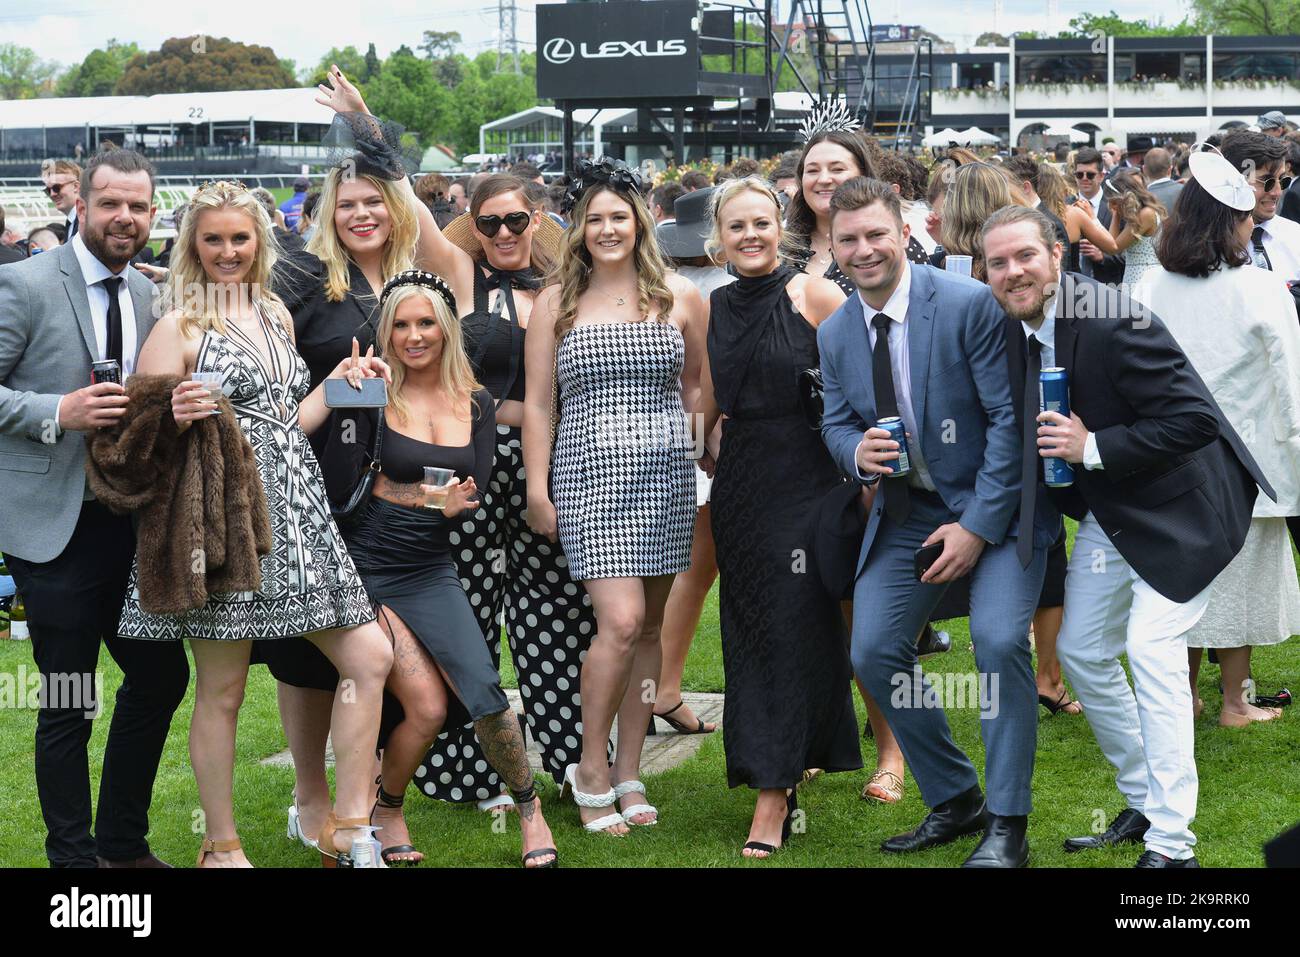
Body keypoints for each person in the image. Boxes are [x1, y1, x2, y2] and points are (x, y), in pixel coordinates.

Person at [980, 204, 1271, 868]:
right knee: (1081, 652)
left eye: (1025, 255)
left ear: (1059, 252)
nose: (1012, 271)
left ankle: (1173, 846)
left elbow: (1196, 418)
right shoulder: (1012, 326)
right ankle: (1144, 799)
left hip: (1184, 514)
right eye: (997, 262)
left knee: (1151, 647)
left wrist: (1092, 446)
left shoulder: (1113, 319)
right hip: (1114, 515)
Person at [115, 180, 393, 868]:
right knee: (225, 688)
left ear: (260, 241)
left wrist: (335, 388)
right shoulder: (176, 325)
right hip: (223, 523)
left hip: (300, 512)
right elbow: (132, 448)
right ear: (192, 245)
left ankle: (351, 826)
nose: (228, 251)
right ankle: (222, 844)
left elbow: (283, 425)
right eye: (213, 239)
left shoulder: (274, 311)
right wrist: (171, 418)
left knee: (369, 656)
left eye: (241, 238)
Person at [821, 176, 1049, 868]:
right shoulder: (834, 331)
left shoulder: (968, 304)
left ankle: (1007, 822)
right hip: (908, 510)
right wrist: (854, 452)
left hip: (998, 506)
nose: (864, 251)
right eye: (849, 239)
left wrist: (977, 526)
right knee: (872, 649)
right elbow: (834, 420)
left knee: (1000, 639)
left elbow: (1012, 421)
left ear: (905, 231)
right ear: (832, 245)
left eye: (876, 235)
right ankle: (955, 797)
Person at [318, 270, 558, 867]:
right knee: (424, 707)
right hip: (364, 564)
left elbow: (470, 487)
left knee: (483, 691)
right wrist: (337, 385)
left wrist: (434, 499)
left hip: (429, 566)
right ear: (386, 331)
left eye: (426, 322)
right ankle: (387, 810)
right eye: (400, 324)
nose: (414, 335)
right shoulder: (369, 389)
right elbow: (335, 470)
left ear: (446, 329)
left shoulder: (474, 400)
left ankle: (531, 811)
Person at [0, 147, 189, 869]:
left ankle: (124, 845)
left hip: (131, 524)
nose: (125, 218)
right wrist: (59, 409)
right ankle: (73, 862)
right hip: (51, 529)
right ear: (80, 202)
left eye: (138, 206)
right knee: (70, 697)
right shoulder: (22, 283)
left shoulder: (151, 296)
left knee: (161, 677)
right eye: (111, 203)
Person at [409, 170, 605, 809]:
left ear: (537, 220)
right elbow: (407, 208)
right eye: (488, 223)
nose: (501, 234)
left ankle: (572, 758)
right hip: (468, 463)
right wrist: (365, 129)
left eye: (515, 221)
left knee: (558, 611)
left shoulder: (565, 288)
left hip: (554, 463)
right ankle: (469, 769)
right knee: (466, 610)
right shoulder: (464, 279)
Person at [522, 157, 707, 834]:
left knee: (652, 631)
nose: (606, 228)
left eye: (618, 217)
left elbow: (695, 388)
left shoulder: (680, 296)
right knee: (622, 623)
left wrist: (696, 449)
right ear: (578, 229)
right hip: (588, 479)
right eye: (594, 218)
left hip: (664, 478)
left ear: (640, 222)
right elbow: (539, 406)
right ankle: (589, 766)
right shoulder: (555, 303)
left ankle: (631, 769)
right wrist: (536, 489)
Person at [694, 177, 861, 856]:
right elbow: (708, 388)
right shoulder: (716, 302)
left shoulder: (814, 292)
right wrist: (700, 442)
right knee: (751, 628)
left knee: (795, 624)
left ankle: (773, 790)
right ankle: (779, 768)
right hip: (741, 483)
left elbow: (863, 376)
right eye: (737, 227)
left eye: (761, 222)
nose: (751, 236)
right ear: (719, 237)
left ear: (779, 225)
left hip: (810, 477)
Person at [1136, 151, 1300, 727]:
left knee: (1183, 580)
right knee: (1240, 585)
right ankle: (1235, 700)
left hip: (1169, 460)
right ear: (1230, 223)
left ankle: (1190, 697)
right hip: (1248, 459)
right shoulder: (1260, 287)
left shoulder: (1150, 284)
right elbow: (1290, 381)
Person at [653, 185, 731, 737]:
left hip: (692, 435)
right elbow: (698, 381)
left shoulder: (667, 287)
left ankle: (662, 688)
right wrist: (705, 441)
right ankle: (663, 689)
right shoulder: (700, 289)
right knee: (696, 568)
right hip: (704, 435)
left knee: (689, 571)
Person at [784, 124, 878, 293]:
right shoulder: (780, 246)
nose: (824, 179)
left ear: (862, 175)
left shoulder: (891, 243)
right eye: (812, 170)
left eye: (837, 169)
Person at [1035, 163, 1119, 277]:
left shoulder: (1027, 218)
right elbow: (1112, 246)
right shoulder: (1073, 213)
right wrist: (1093, 218)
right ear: (1059, 185)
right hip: (1071, 282)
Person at [1071, 147, 1126, 283]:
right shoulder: (1066, 206)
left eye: (1090, 175)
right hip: (1072, 286)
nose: (1084, 179)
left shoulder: (1116, 206)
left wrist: (1102, 255)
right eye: (1079, 175)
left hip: (1108, 285)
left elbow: (1128, 255)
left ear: (1101, 176)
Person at [1105, 168, 1166, 286]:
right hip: (1134, 274)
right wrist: (1116, 213)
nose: (1111, 206)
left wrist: (1113, 216)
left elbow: (1113, 247)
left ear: (1125, 198)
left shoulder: (1145, 214)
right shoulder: (1140, 213)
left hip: (1144, 277)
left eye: (1113, 202)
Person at [41, 158, 82, 242]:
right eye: (48, 190)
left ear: (76, 187)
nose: (52, 194)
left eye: (56, 188)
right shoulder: (72, 220)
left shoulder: (86, 220)